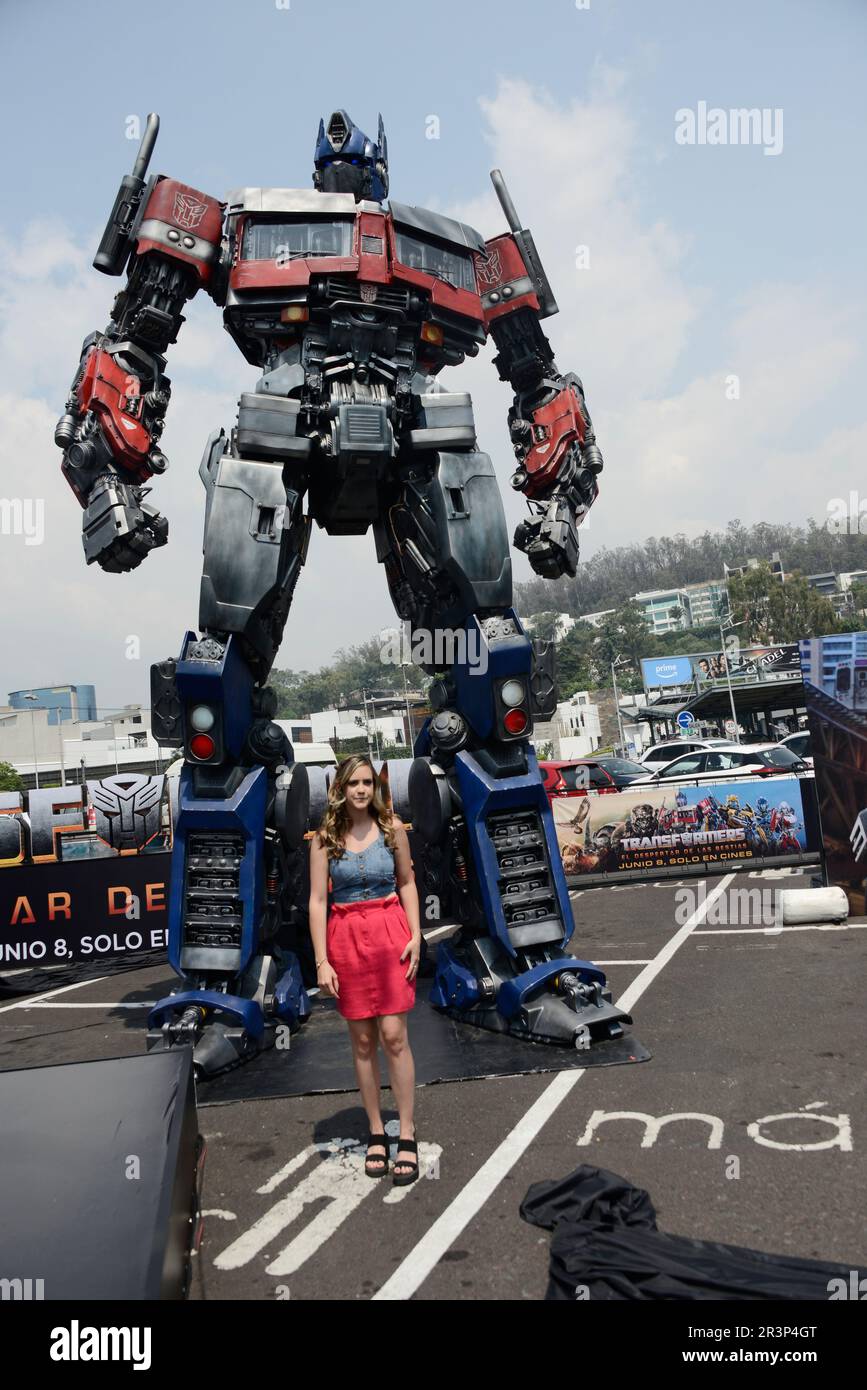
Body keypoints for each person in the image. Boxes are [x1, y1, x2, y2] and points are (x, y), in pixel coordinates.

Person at [308, 754, 422, 1185]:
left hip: (390, 935)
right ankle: (377, 1132)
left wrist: (416, 935)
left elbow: (408, 882)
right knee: (361, 1041)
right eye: (353, 782)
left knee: (394, 1037)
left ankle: (405, 1133)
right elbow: (318, 901)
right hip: (346, 940)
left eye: (366, 782)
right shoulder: (324, 839)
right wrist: (321, 960)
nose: (360, 789)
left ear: (374, 787)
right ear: (340, 788)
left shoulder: (393, 831)